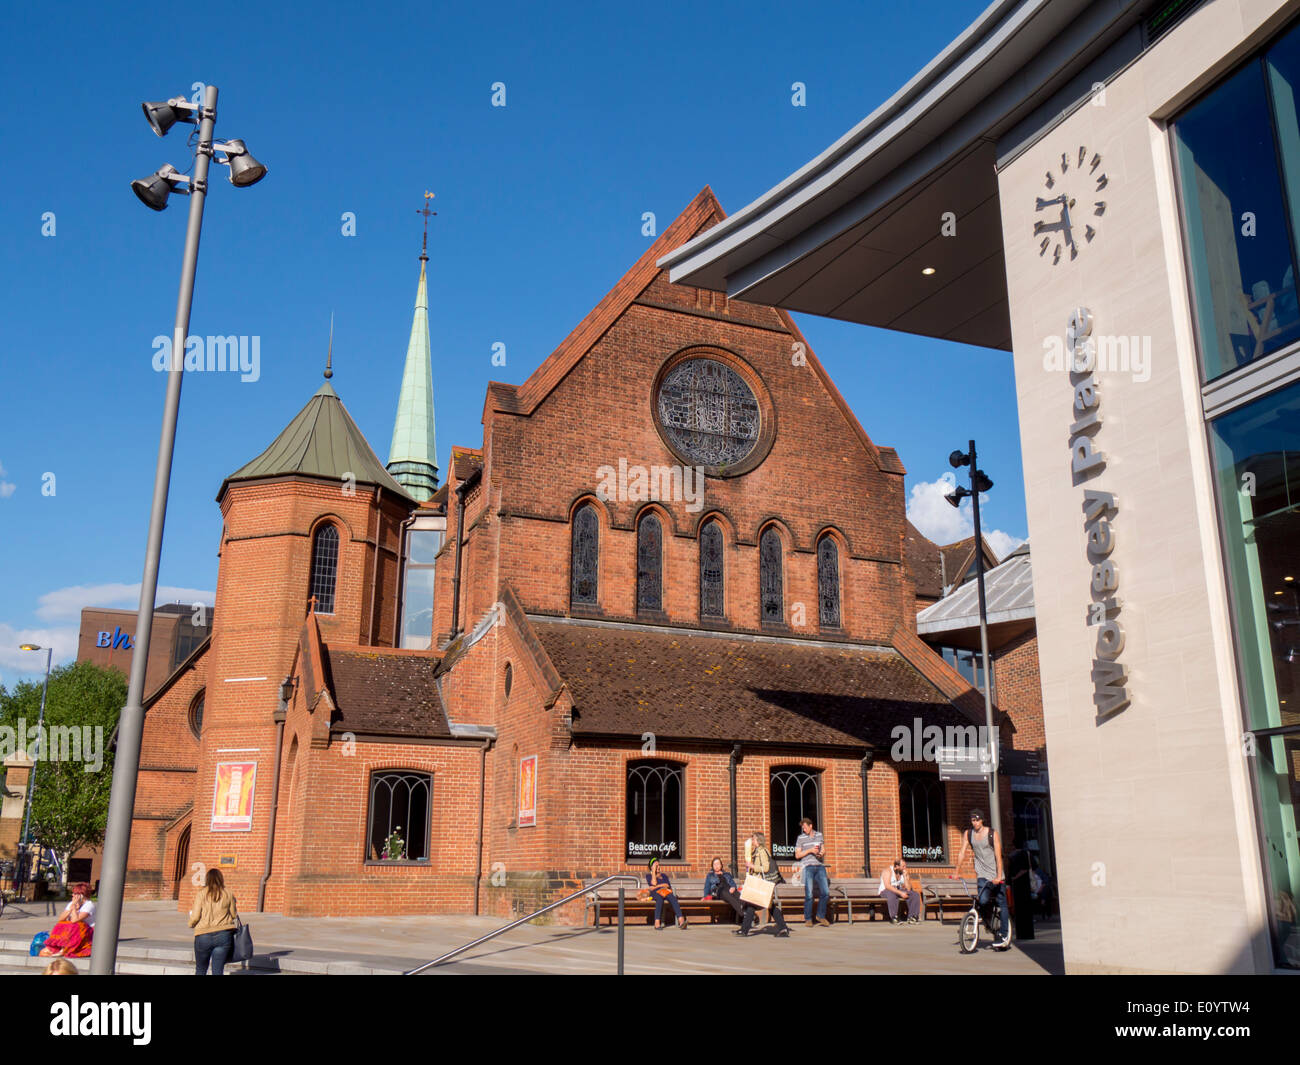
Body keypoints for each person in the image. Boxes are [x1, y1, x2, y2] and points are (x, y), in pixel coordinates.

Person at [953, 809, 1011, 949]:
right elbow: (962, 852)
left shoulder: (992, 833)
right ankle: (989, 922)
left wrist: (998, 876)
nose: (975, 823)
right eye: (973, 820)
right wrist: (956, 872)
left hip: (996, 875)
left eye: (977, 820)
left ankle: (1003, 935)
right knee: (983, 900)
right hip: (982, 874)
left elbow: (998, 856)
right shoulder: (969, 834)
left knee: (1002, 904)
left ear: (982, 820)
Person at [188, 868, 241, 974]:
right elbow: (234, 914)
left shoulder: (201, 894)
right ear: (221, 879)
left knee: (201, 969)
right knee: (218, 970)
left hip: (203, 935)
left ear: (207, 879)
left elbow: (195, 916)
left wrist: (191, 924)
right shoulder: (228, 893)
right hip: (224, 934)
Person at [736, 831, 789, 937]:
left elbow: (765, 868)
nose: (753, 841)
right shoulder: (757, 851)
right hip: (759, 884)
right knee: (769, 906)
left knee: (755, 905)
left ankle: (744, 930)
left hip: (761, 884)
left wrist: (752, 866)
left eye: (754, 839)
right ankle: (783, 929)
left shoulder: (762, 852)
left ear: (758, 841)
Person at [38, 883, 95, 959]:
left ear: (81, 895)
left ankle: (65, 949)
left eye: (75, 894)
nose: (72, 895)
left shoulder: (89, 905)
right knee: (61, 924)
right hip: (75, 931)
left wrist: (75, 907)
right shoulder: (72, 903)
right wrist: (71, 909)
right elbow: (61, 918)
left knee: (75, 925)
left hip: (88, 932)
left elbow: (75, 920)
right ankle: (58, 946)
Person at [795, 817, 831, 927]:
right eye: (802, 828)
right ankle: (808, 918)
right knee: (809, 894)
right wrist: (810, 850)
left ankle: (820, 915)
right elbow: (797, 855)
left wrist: (821, 853)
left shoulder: (819, 835)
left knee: (825, 892)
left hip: (819, 866)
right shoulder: (801, 838)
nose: (804, 829)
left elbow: (823, 850)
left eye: (805, 827)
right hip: (808, 867)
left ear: (811, 826)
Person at [645, 856, 687, 930]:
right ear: (651, 867)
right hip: (655, 894)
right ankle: (657, 922)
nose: (658, 867)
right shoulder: (649, 876)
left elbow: (667, 885)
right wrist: (653, 872)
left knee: (673, 897)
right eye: (656, 866)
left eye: (658, 865)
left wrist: (657, 886)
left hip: (665, 891)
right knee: (659, 898)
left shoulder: (663, 875)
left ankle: (681, 920)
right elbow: (653, 883)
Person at [1007, 836, 1036, 940]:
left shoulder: (1011, 856)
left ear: (1014, 845)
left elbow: (1009, 872)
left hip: (1016, 885)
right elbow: (1032, 867)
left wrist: (1013, 879)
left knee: (1018, 909)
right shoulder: (1027, 854)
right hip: (1026, 884)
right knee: (1027, 908)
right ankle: (1029, 933)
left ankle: (1020, 934)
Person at [878, 857, 922, 924]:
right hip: (885, 891)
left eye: (905, 866)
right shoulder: (888, 871)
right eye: (903, 866)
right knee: (892, 894)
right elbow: (887, 886)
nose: (905, 868)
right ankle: (894, 917)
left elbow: (908, 889)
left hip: (898, 890)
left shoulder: (903, 873)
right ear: (897, 866)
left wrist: (905, 877)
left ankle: (912, 917)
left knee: (915, 894)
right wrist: (900, 893)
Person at [703, 856, 745, 922]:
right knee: (725, 892)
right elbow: (707, 887)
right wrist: (705, 896)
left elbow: (732, 884)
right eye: (714, 864)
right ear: (712, 866)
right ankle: (743, 914)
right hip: (717, 892)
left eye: (718, 864)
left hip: (728, 891)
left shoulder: (727, 874)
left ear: (721, 865)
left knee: (735, 893)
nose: (716, 866)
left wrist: (733, 887)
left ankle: (747, 911)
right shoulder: (710, 875)